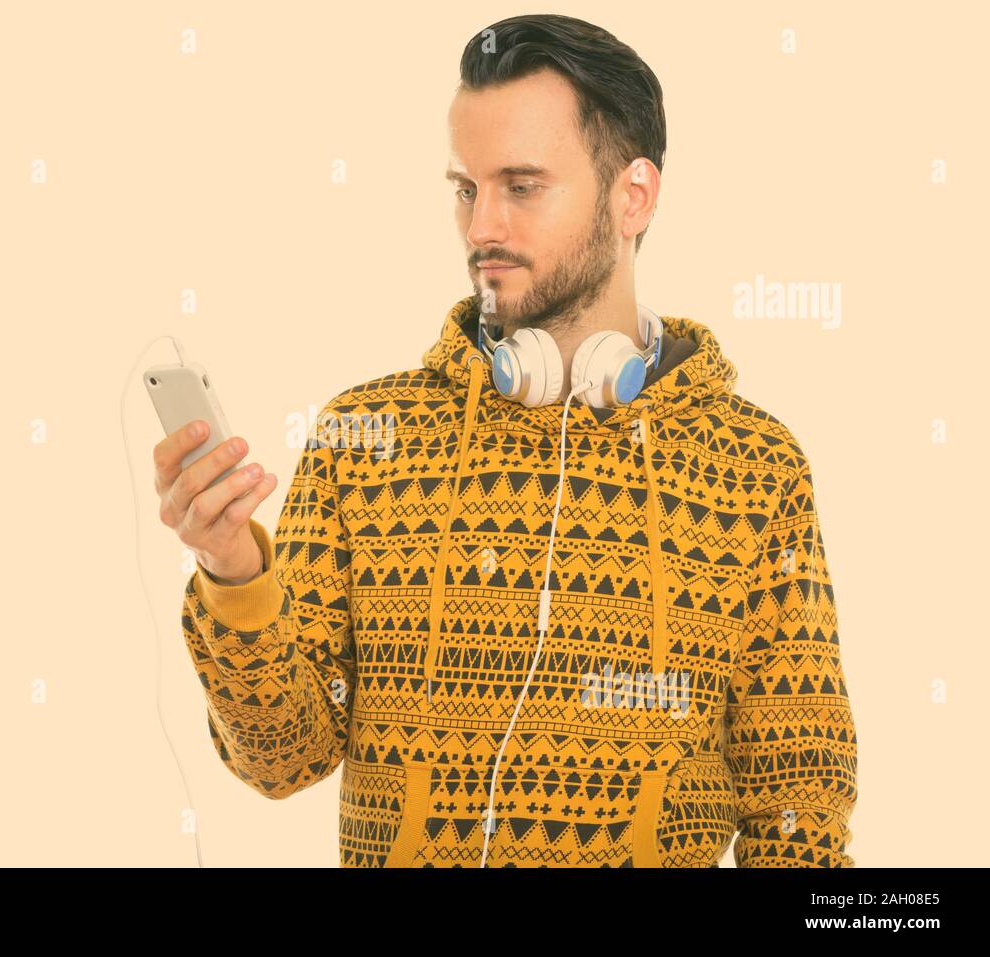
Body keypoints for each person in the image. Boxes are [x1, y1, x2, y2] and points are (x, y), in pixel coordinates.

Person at [152, 13, 857, 867]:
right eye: (465, 187)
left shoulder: (754, 466)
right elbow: (283, 755)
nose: (482, 225)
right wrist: (236, 574)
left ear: (633, 196)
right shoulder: (362, 438)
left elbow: (799, 806)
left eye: (521, 186)